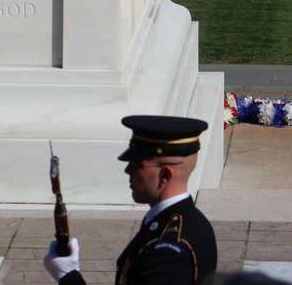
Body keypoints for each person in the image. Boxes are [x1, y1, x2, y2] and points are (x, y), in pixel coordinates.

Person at [44, 115, 218, 285]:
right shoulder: (192, 222)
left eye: (137, 165)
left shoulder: (167, 254)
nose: (127, 170)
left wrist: (68, 277)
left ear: (164, 175)